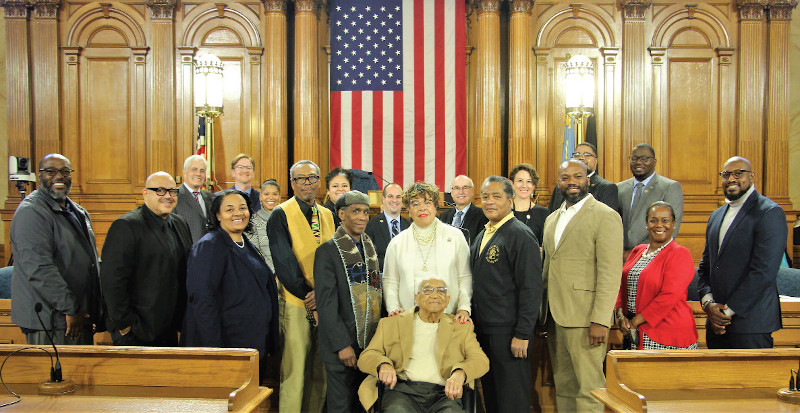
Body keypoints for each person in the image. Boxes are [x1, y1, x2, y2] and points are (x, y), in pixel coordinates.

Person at [541, 159, 623, 413]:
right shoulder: (552, 218)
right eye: (565, 178)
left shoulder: (605, 216)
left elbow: (610, 273)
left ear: (588, 180)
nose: (572, 182)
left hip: (587, 318)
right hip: (555, 316)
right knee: (564, 386)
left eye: (578, 176)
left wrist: (601, 319)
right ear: (558, 183)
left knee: (589, 389)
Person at [356, 278, 490, 413]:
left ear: (448, 300)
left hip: (444, 394)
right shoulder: (391, 323)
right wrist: (383, 364)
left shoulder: (461, 328)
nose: (435, 295)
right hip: (401, 391)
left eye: (441, 291)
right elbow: (367, 356)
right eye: (427, 290)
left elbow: (480, 360)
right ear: (416, 298)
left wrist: (461, 373)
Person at [182, 189, 279, 374]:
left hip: (252, 342)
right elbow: (202, 299)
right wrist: (217, 350)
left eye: (243, 208)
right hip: (228, 346)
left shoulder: (244, 241)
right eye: (229, 209)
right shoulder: (209, 245)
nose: (238, 213)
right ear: (218, 215)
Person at [10, 154, 102, 345]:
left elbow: (90, 259)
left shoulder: (77, 210)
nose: (59, 176)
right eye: (51, 171)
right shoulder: (32, 211)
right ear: (39, 175)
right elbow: (40, 269)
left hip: (78, 315)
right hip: (53, 320)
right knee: (58, 374)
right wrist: (70, 307)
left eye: (65, 171)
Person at [697, 156, 787, 349]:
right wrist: (709, 305)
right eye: (726, 175)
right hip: (715, 323)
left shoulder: (769, 212)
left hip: (751, 323)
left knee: (754, 380)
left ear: (752, 177)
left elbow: (764, 272)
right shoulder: (716, 216)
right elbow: (706, 267)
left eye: (738, 173)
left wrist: (726, 314)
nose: (731, 179)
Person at [470, 176, 542, 412]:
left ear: (510, 200)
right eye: (485, 197)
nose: (489, 202)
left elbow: (531, 289)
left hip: (509, 332)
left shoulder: (520, 235)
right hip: (485, 329)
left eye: (496, 196)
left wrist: (522, 333)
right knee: (492, 395)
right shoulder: (484, 233)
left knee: (512, 399)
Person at [267, 160, 334, 413]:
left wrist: (323, 296)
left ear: (319, 181)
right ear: (292, 183)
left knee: (321, 370)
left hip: (326, 302)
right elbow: (284, 262)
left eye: (312, 178)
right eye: (301, 179)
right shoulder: (280, 214)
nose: (308, 183)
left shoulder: (327, 214)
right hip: (297, 303)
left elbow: (335, 259)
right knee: (295, 371)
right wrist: (309, 297)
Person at [101, 172, 193, 346]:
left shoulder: (180, 223)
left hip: (170, 328)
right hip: (137, 330)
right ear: (145, 194)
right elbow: (112, 281)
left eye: (173, 191)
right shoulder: (126, 226)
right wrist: (125, 325)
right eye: (160, 190)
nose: (168, 196)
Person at [315, 190, 382, 412]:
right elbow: (326, 304)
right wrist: (342, 345)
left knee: (363, 404)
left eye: (365, 212)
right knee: (340, 407)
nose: (362, 217)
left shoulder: (370, 249)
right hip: (341, 348)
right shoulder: (327, 252)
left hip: (367, 345)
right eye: (356, 212)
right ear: (342, 214)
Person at [382, 182, 472, 323]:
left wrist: (464, 307)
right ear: (408, 210)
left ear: (436, 206)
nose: (422, 208)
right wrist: (393, 308)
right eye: (415, 204)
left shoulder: (455, 237)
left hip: (449, 318)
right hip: (408, 320)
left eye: (427, 202)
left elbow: (465, 277)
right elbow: (390, 281)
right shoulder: (397, 243)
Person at [615, 201, 698, 350]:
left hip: (666, 334)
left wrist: (635, 322)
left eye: (665, 220)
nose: (659, 225)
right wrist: (621, 317)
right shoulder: (637, 251)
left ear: (673, 224)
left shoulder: (679, 254)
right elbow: (621, 286)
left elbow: (669, 296)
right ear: (647, 224)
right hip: (634, 332)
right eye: (653, 220)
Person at [617, 143, 683, 255]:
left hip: (653, 257)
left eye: (644, 159)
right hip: (620, 258)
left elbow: (669, 230)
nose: (638, 162)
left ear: (654, 162)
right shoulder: (619, 188)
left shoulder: (669, 187)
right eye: (634, 158)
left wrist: (637, 254)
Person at [548, 142, 619, 214]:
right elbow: (552, 214)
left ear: (596, 161)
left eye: (587, 155)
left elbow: (607, 218)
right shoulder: (560, 186)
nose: (581, 158)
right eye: (577, 154)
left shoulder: (606, 187)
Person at [364, 183, 410, 271]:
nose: (394, 200)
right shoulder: (372, 225)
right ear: (383, 199)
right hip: (382, 277)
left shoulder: (409, 226)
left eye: (398, 197)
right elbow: (370, 257)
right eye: (390, 196)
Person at [173, 155, 212, 244]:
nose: (198, 174)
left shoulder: (209, 197)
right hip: (187, 254)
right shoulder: (174, 196)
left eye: (202, 171)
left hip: (208, 252)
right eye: (194, 169)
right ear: (184, 172)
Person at [440, 175, 488, 244]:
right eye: (457, 188)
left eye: (465, 188)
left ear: (472, 191)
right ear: (452, 192)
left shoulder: (482, 216)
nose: (461, 192)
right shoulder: (443, 216)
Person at [509, 163, 549, 245]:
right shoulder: (503, 212)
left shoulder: (544, 213)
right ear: (511, 184)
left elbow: (546, 245)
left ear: (534, 185)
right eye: (520, 181)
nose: (524, 185)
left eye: (529, 181)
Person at [248, 179, 281, 271]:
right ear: (260, 197)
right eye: (266, 194)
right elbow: (254, 252)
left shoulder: (287, 219)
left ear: (279, 197)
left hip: (287, 273)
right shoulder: (252, 221)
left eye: (275, 194)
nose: (271, 197)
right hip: (265, 273)